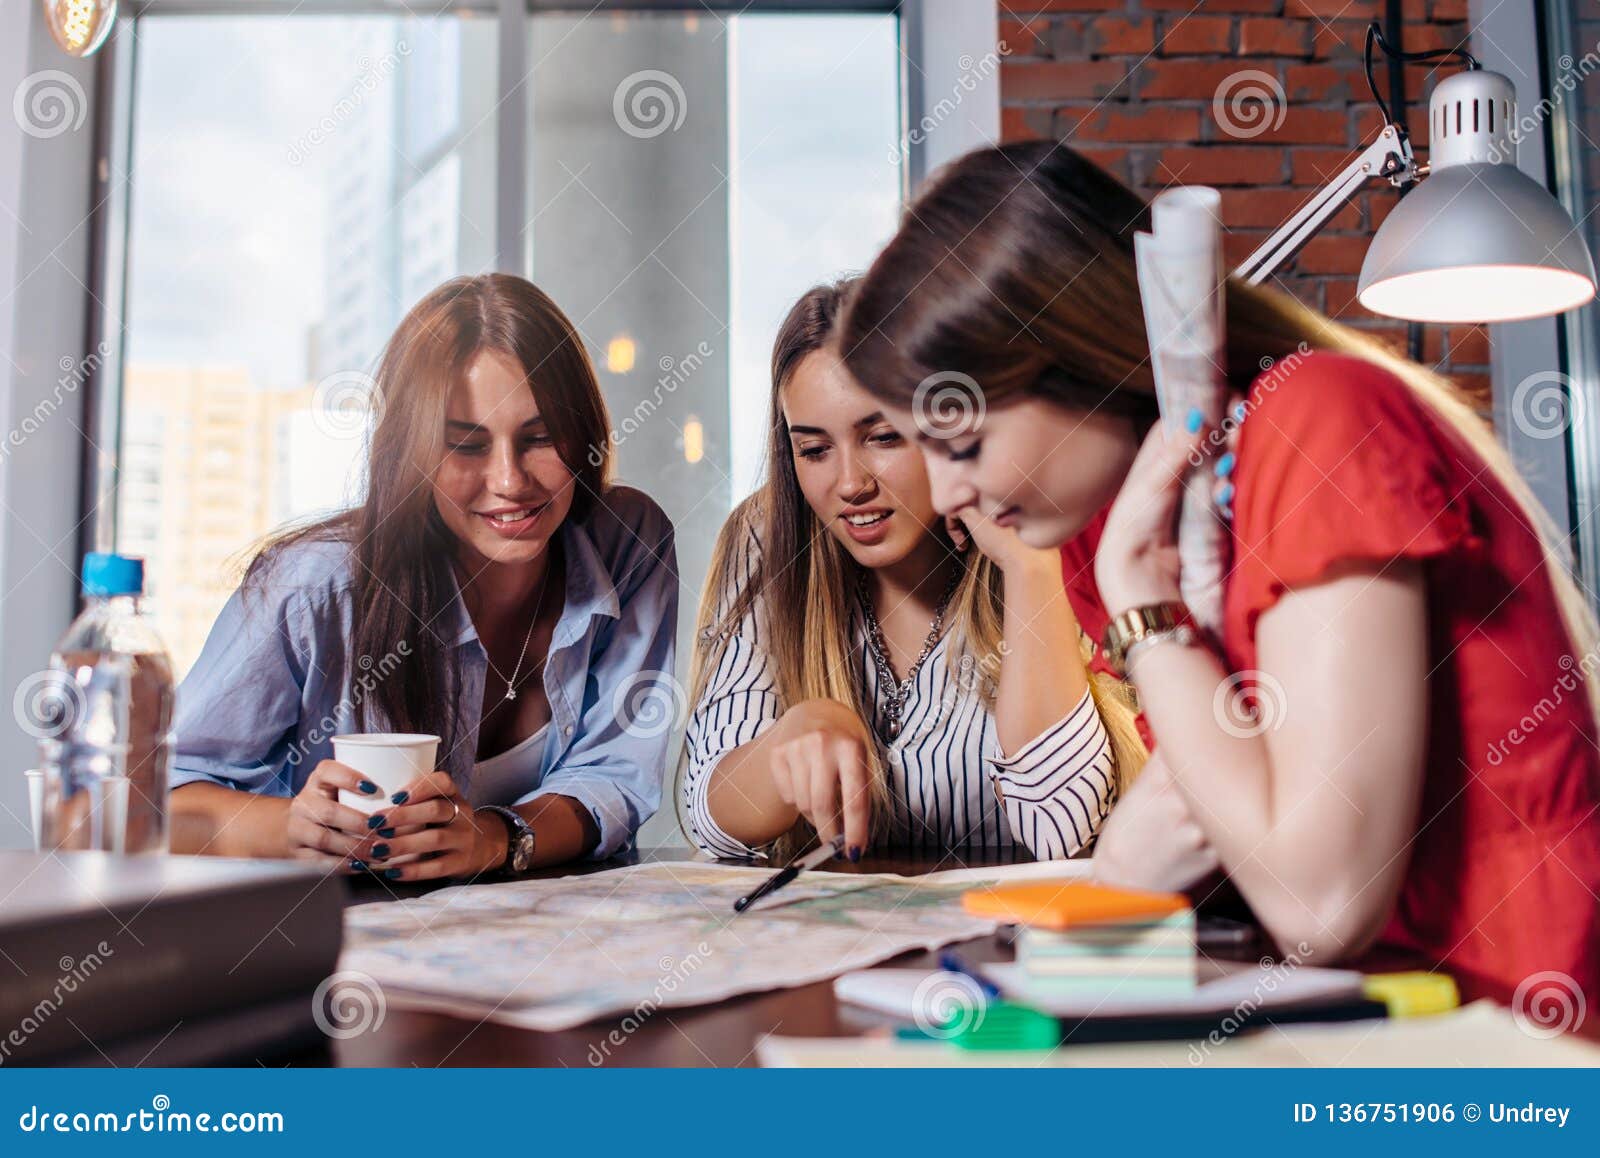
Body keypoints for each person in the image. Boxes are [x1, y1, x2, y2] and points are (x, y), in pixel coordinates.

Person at [838, 140, 1600, 1000]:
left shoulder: (1318, 428)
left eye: (965, 444)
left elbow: (1322, 905)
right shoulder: (1109, 530)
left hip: (1519, 1035)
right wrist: (1129, 859)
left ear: (1086, 361)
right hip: (1358, 1019)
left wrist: (1140, 600)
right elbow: (1225, 815)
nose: (945, 496)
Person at [170, 274, 678, 880]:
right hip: (328, 941)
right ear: (408, 453)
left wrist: (497, 838)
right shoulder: (314, 585)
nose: (511, 481)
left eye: (540, 438)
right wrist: (288, 828)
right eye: (466, 446)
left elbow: (614, 775)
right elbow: (154, 801)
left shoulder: (629, 541)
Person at [681, 279, 1144, 863]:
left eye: (882, 437)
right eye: (814, 450)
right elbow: (710, 819)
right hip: (847, 943)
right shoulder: (768, 534)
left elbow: (1063, 829)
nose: (850, 484)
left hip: (1019, 943)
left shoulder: (1053, 528)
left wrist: (1028, 566)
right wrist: (796, 733)